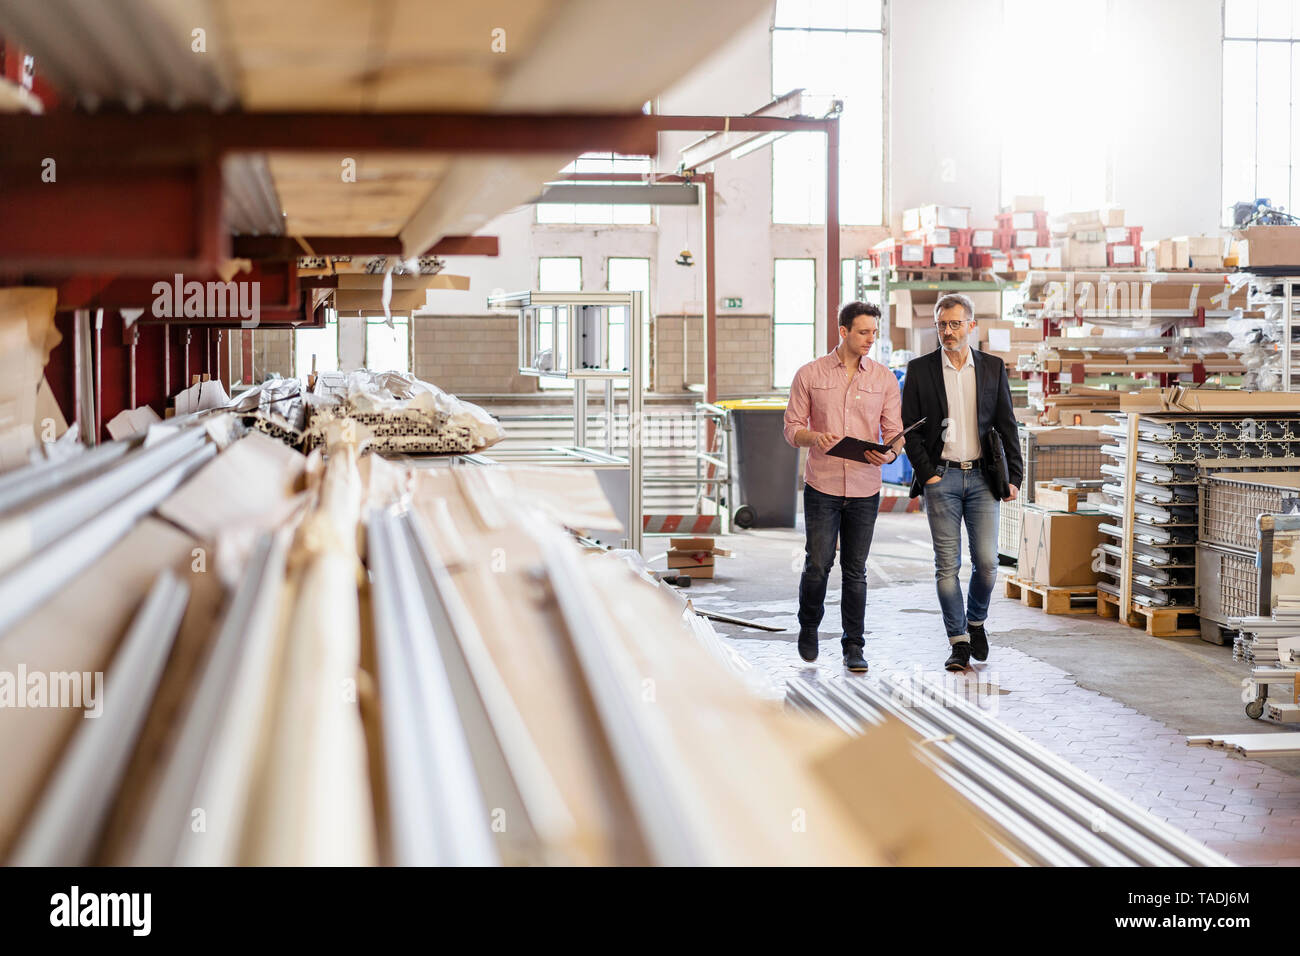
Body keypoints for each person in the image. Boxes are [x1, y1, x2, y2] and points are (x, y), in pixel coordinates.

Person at [901, 292, 1023, 672]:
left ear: (971, 326)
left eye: (955, 324)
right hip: (943, 479)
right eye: (942, 324)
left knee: (987, 563)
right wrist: (929, 474)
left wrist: (1014, 476)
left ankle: (976, 621)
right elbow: (912, 430)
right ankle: (958, 641)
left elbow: (1006, 423)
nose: (948, 331)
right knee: (947, 567)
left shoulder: (991, 367)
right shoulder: (920, 370)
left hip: (984, 477)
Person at [782, 301, 904, 673]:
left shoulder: (882, 378)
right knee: (818, 564)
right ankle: (809, 627)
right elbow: (791, 429)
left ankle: (853, 645)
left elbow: (894, 432)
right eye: (864, 332)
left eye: (874, 332)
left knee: (856, 570)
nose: (871, 339)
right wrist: (814, 437)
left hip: (866, 487)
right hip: (823, 484)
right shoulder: (810, 374)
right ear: (844, 331)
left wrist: (892, 452)